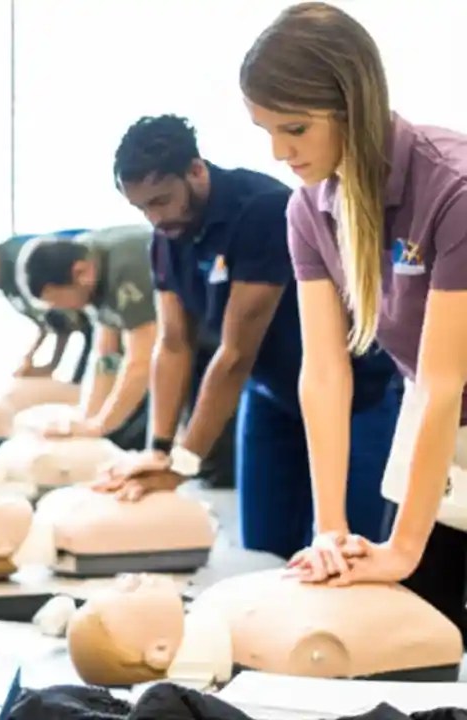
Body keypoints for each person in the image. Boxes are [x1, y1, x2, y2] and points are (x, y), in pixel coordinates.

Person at [242, 2, 467, 642]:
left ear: (353, 105)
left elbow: (444, 381)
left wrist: (402, 547)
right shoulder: (308, 210)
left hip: (445, 399)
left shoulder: (453, 189)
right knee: (418, 631)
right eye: (265, 130)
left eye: (295, 128)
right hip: (437, 419)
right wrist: (330, 529)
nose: (280, 152)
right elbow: (323, 373)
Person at [97, 113, 401, 561]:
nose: (154, 218)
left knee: (349, 549)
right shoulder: (166, 236)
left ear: (196, 170)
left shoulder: (262, 210)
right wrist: (157, 450)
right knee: (264, 548)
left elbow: (236, 353)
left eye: (161, 201)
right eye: (142, 208)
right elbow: (174, 343)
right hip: (272, 393)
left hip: (354, 394)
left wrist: (185, 462)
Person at [21, 226, 155, 449]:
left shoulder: (126, 268)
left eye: (59, 301)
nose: (64, 310)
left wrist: (100, 426)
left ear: (80, 273)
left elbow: (142, 361)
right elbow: (105, 355)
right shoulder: (86, 263)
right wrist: (87, 420)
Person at [0, 232, 93, 381]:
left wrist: (51, 366)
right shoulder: (5, 278)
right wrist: (31, 357)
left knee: (87, 385)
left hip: (97, 304)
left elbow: (61, 319)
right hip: (89, 316)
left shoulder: (23, 265)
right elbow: (47, 321)